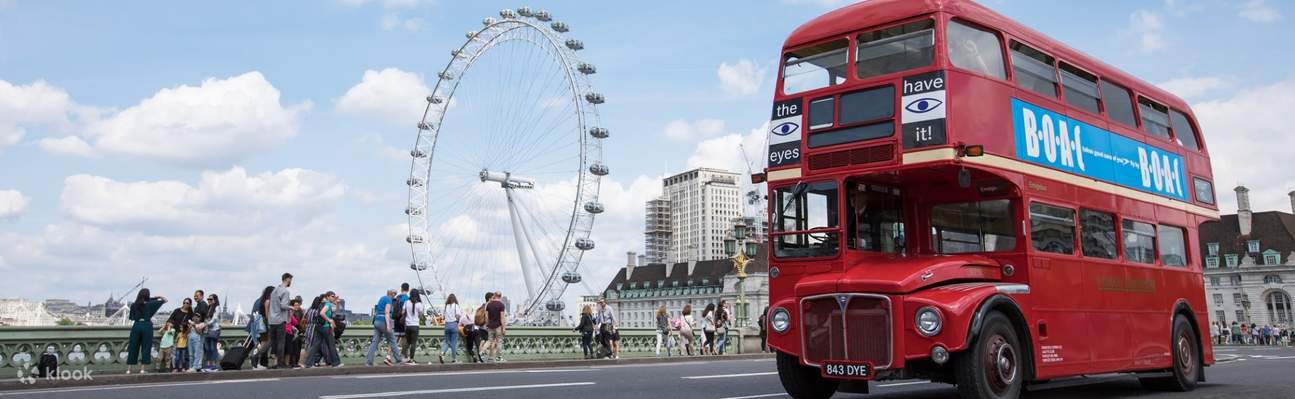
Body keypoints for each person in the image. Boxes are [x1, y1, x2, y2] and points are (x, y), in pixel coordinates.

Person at [124, 289, 166, 374]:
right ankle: (142, 369)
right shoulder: (150, 304)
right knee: (146, 347)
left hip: (137, 325)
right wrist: (156, 297)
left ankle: (129, 369)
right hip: (147, 325)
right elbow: (165, 300)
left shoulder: (133, 305)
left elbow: (132, 317)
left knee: (133, 347)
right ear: (148, 295)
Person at [366, 289, 404, 366]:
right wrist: (388, 325)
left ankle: (369, 361)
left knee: (375, 342)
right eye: (395, 294)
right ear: (392, 294)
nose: (395, 296)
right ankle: (399, 360)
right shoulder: (388, 300)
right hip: (383, 321)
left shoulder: (382, 298)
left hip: (377, 321)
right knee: (392, 340)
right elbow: (387, 312)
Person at [307, 291, 342, 368]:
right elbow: (322, 313)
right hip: (325, 327)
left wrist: (337, 303)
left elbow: (334, 310)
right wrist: (329, 320)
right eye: (332, 296)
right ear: (328, 296)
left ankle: (309, 363)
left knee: (315, 345)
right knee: (331, 345)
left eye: (334, 296)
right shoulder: (328, 304)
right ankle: (336, 363)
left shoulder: (323, 304)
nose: (333, 297)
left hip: (319, 327)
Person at [268, 273, 294, 369]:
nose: (291, 282)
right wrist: (291, 307)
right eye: (290, 280)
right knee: (281, 343)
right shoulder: (285, 292)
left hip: (272, 320)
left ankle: (256, 356)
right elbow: (283, 306)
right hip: (280, 320)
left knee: (271, 342)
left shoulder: (274, 291)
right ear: (287, 279)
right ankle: (280, 363)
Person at [250, 286, 274, 370]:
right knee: (269, 342)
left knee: (263, 343)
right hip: (266, 324)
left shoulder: (260, 301)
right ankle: (256, 357)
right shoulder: (268, 301)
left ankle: (257, 362)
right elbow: (267, 315)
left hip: (260, 324)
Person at [437, 293, 460, 364]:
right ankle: (454, 359)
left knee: (447, 341)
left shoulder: (446, 306)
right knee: (453, 343)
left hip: (447, 325)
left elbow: (443, 317)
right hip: (454, 324)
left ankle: (442, 352)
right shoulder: (456, 306)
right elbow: (458, 315)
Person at [486, 291, 507, 362]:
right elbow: (502, 318)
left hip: (490, 326)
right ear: (500, 296)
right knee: (499, 342)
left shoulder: (489, 304)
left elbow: (486, 317)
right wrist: (503, 328)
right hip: (498, 326)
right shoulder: (501, 305)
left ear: (494, 295)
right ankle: (499, 357)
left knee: (490, 341)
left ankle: (490, 357)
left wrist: (487, 324)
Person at [203, 294, 222, 371]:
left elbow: (215, 318)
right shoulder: (208, 308)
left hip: (214, 330)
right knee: (207, 348)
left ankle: (213, 365)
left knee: (212, 347)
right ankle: (208, 364)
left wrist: (206, 324)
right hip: (207, 330)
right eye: (208, 299)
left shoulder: (217, 307)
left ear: (215, 300)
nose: (209, 301)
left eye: (211, 299)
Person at [285, 298, 303, 368]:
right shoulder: (290, 312)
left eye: (298, 305)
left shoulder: (300, 312)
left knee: (297, 348)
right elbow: (295, 322)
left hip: (297, 331)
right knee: (292, 348)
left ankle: (295, 362)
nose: (297, 306)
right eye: (295, 305)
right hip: (292, 331)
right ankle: (291, 362)